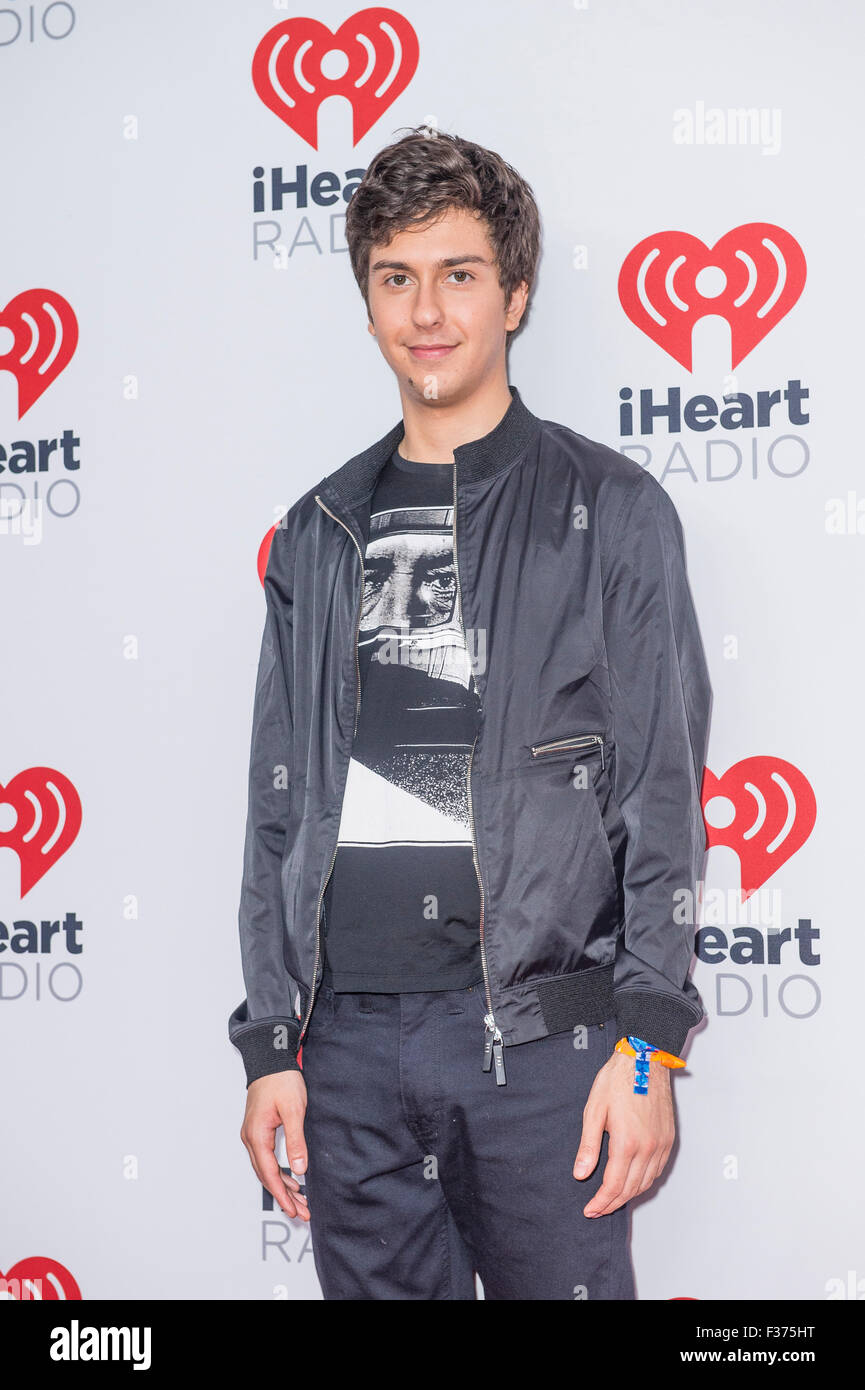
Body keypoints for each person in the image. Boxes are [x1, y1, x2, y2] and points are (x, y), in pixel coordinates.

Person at [229, 126, 712, 1300]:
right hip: (344, 1051)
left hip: (543, 1047)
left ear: (516, 292)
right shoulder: (319, 529)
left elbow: (658, 790)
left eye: (458, 273)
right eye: (395, 277)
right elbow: (278, 803)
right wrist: (270, 1045)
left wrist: (645, 1042)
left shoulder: (610, 507)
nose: (426, 309)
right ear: (367, 303)